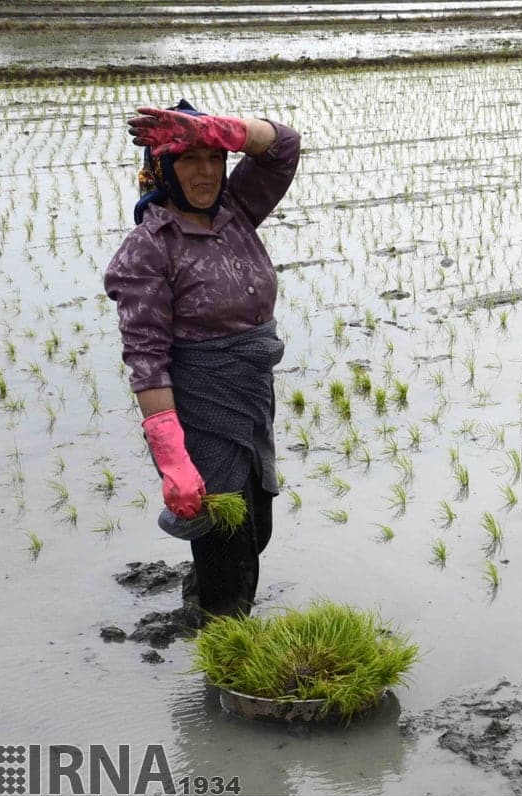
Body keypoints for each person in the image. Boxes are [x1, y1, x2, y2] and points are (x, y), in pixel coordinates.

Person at [104, 100, 301, 619]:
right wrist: (173, 459)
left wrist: (218, 130)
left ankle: (201, 595)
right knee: (228, 553)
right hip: (199, 411)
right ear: (162, 170)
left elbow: (284, 147)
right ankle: (220, 642)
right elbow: (146, 359)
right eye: (188, 159)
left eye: (214, 158)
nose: (205, 172)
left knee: (257, 527)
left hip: (251, 400)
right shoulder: (150, 249)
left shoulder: (235, 211)